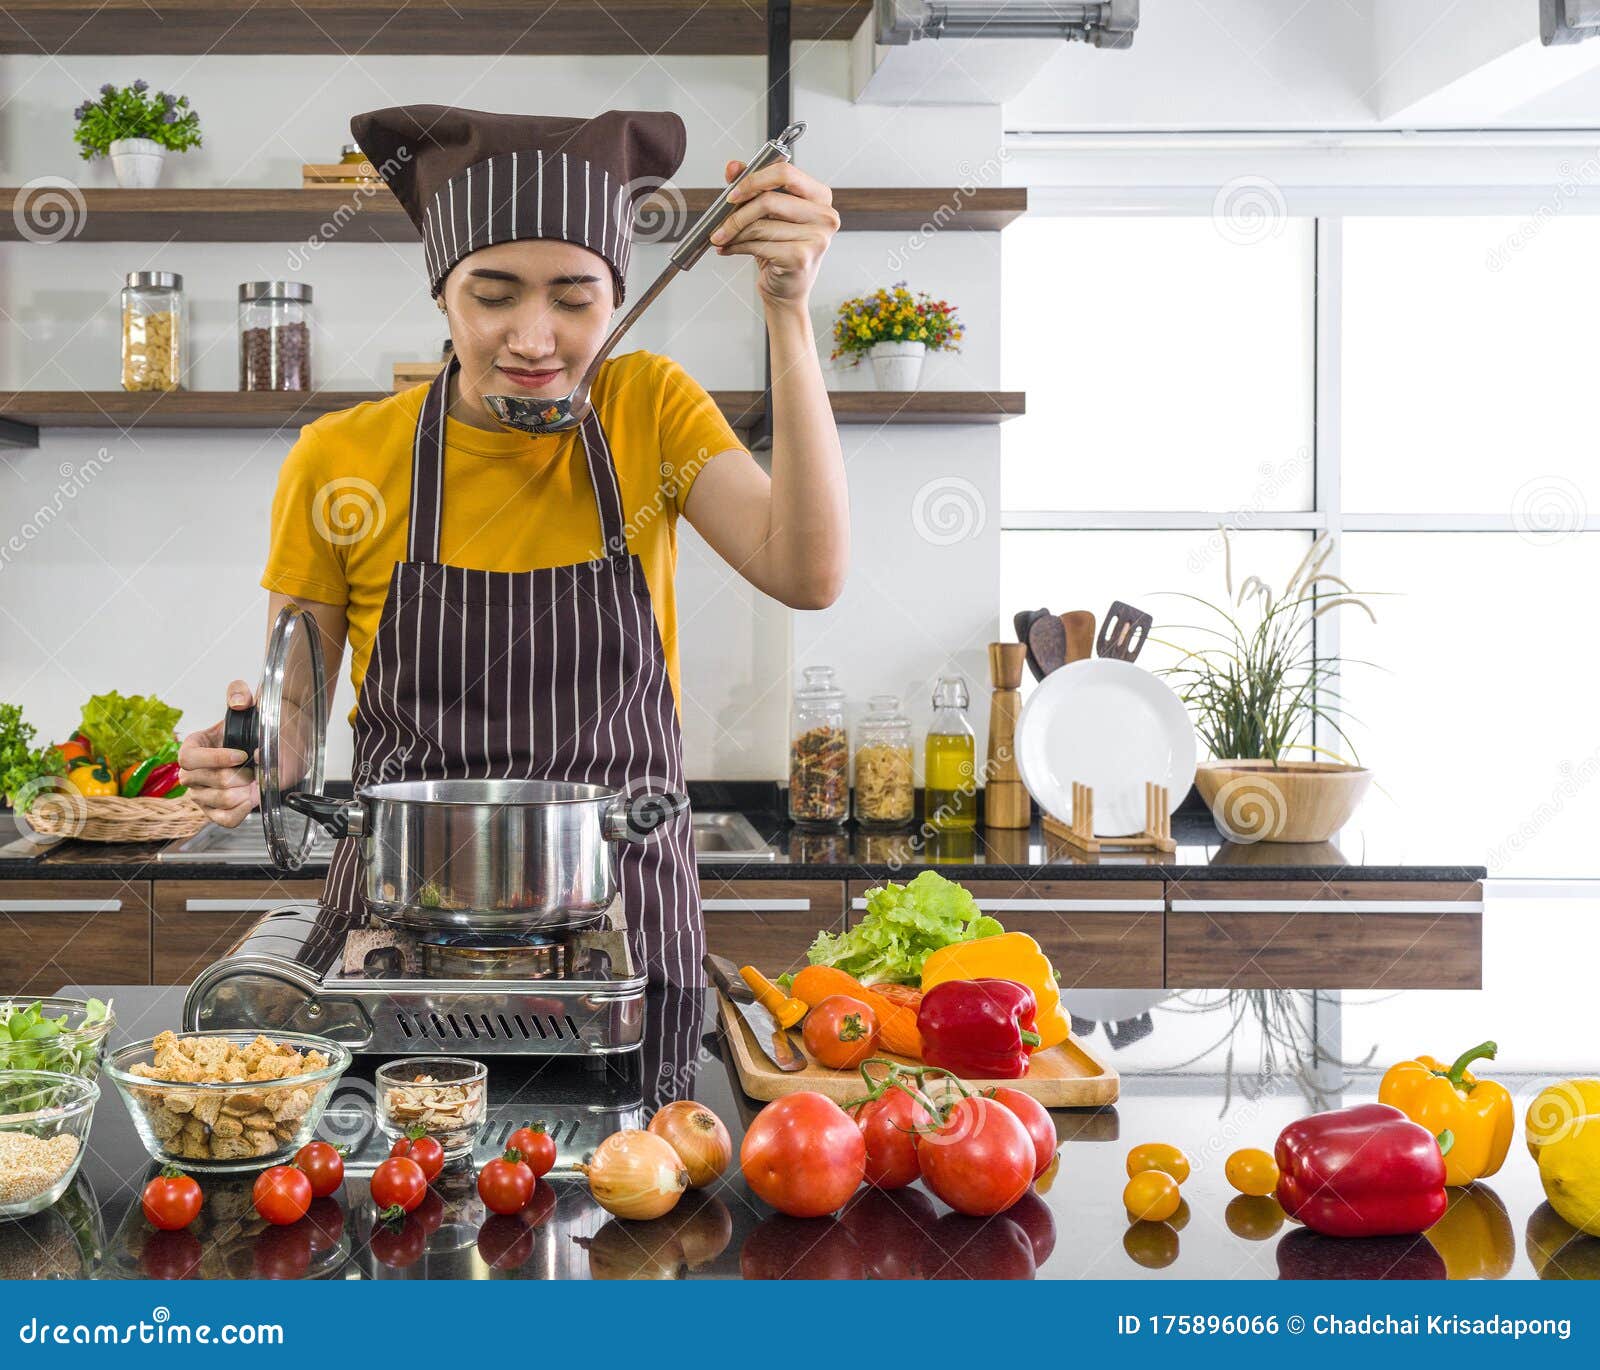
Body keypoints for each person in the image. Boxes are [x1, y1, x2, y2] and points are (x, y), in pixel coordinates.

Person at [177, 105, 848, 987]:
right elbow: (294, 712)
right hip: (399, 919)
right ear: (442, 293)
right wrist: (259, 758)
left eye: (575, 300)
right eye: (492, 296)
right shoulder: (339, 457)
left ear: (618, 296)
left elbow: (806, 572)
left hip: (621, 919)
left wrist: (788, 308)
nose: (534, 341)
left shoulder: (647, 404)